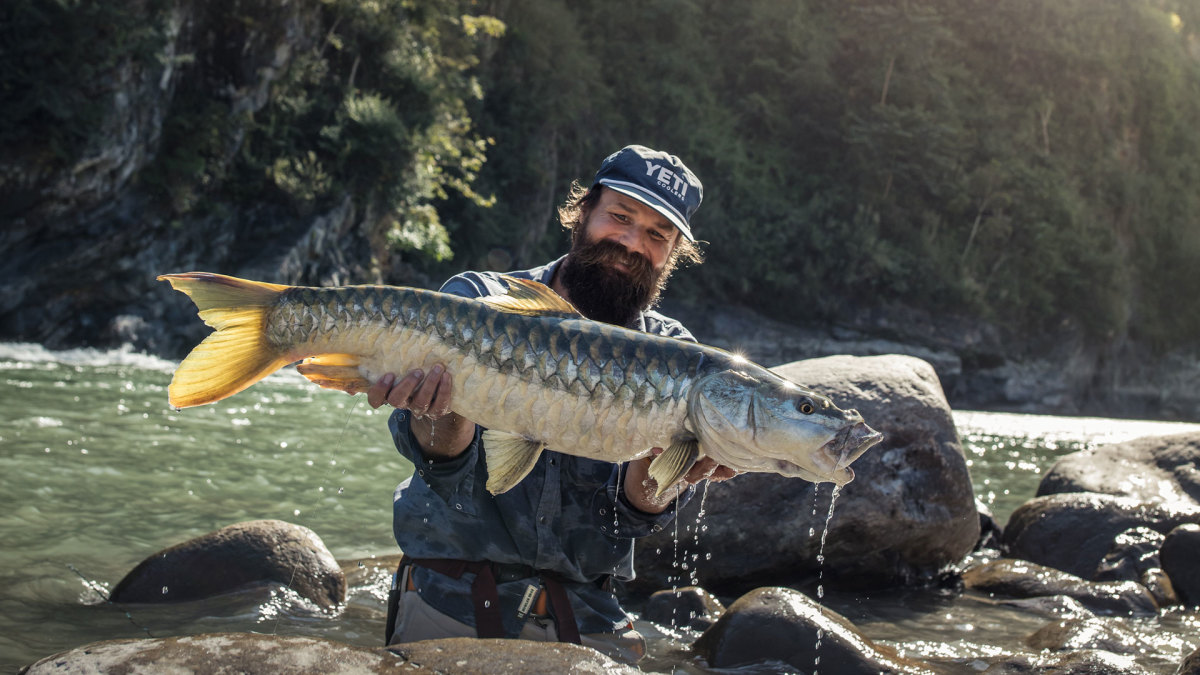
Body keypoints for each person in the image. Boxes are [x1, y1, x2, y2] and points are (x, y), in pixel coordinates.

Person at [366, 145, 736, 663]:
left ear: (673, 253)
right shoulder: (480, 301)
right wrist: (444, 410)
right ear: (583, 211)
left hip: (587, 622)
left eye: (657, 235)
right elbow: (439, 467)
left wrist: (668, 473)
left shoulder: (679, 359)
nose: (632, 243)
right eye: (621, 217)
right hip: (447, 604)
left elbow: (629, 516)